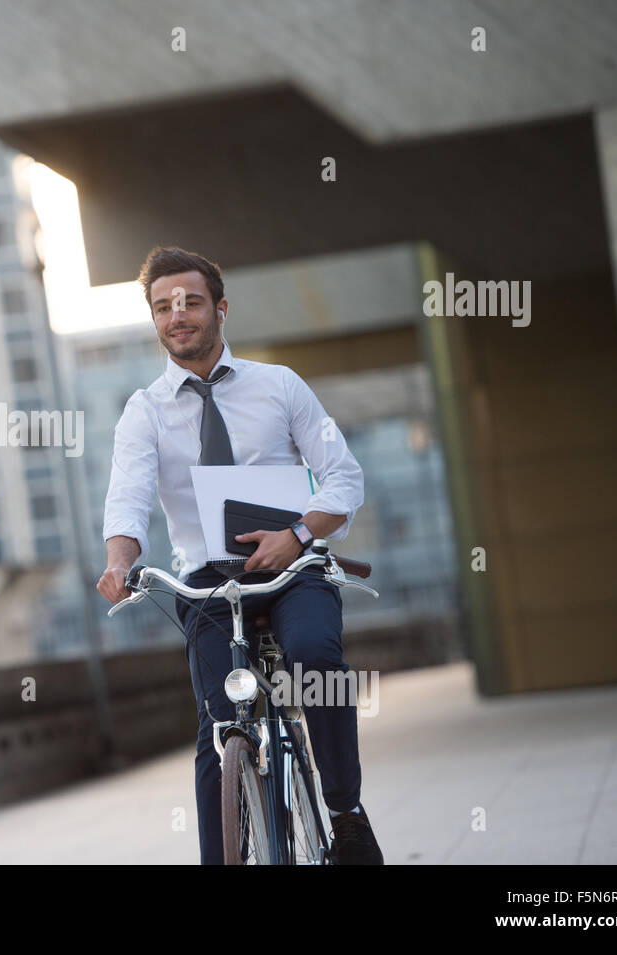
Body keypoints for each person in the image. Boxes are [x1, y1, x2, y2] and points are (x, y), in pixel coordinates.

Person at [96, 246, 384, 865]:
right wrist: (120, 563)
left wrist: (298, 535)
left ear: (220, 309)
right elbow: (127, 501)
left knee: (314, 658)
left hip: (294, 567)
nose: (178, 316)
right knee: (216, 724)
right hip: (206, 581)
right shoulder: (143, 412)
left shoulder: (279, 385)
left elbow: (343, 479)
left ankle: (345, 814)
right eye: (163, 307)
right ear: (155, 320)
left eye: (191, 302)